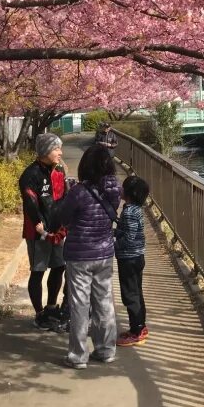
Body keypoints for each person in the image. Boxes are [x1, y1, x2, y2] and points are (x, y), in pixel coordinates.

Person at [53, 145, 121, 369]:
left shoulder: (79, 192)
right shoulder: (114, 190)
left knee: (80, 305)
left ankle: (78, 356)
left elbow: (63, 218)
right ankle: (106, 350)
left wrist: (67, 197)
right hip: (104, 253)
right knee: (104, 302)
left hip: (80, 255)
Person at [19, 133, 69, 331]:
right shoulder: (30, 175)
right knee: (38, 271)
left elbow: (64, 198)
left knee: (59, 267)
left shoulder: (59, 171)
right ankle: (39, 314)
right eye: (56, 149)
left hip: (57, 231)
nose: (60, 152)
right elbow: (31, 204)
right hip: (37, 232)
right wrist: (42, 229)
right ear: (45, 151)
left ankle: (51, 307)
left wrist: (62, 225)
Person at [115, 176, 149, 346]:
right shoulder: (135, 209)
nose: (120, 189)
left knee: (130, 295)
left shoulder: (129, 212)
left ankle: (136, 331)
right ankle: (140, 326)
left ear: (129, 193)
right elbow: (128, 231)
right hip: (137, 257)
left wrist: (112, 244)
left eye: (123, 187)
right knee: (136, 292)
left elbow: (128, 238)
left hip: (129, 258)